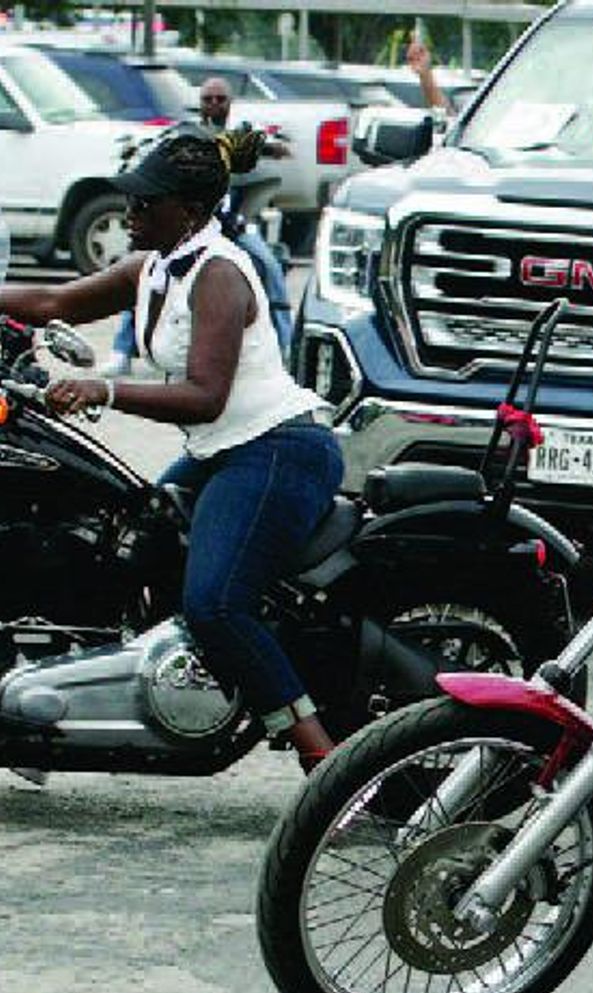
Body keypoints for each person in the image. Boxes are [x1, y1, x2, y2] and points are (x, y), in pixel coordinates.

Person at [0, 133, 343, 779]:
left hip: (274, 450)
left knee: (215, 603)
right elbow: (54, 303)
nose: (129, 212)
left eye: (143, 202)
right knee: (131, 542)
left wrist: (102, 388)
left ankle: (323, 759)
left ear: (187, 209)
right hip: (222, 451)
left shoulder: (220, 274)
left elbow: (205, 396)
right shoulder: (153, 265)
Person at [103, 77, 295, 375]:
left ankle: (287, 349)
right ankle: (121, 349)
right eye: (209, 99)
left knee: (271, 267)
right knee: (149, 276)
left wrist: (268, 149)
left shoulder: (239, 135)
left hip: (231, 225)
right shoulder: (185, 135)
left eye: (221, 99)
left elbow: (268, 146)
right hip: (185, 226)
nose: (214, 105)